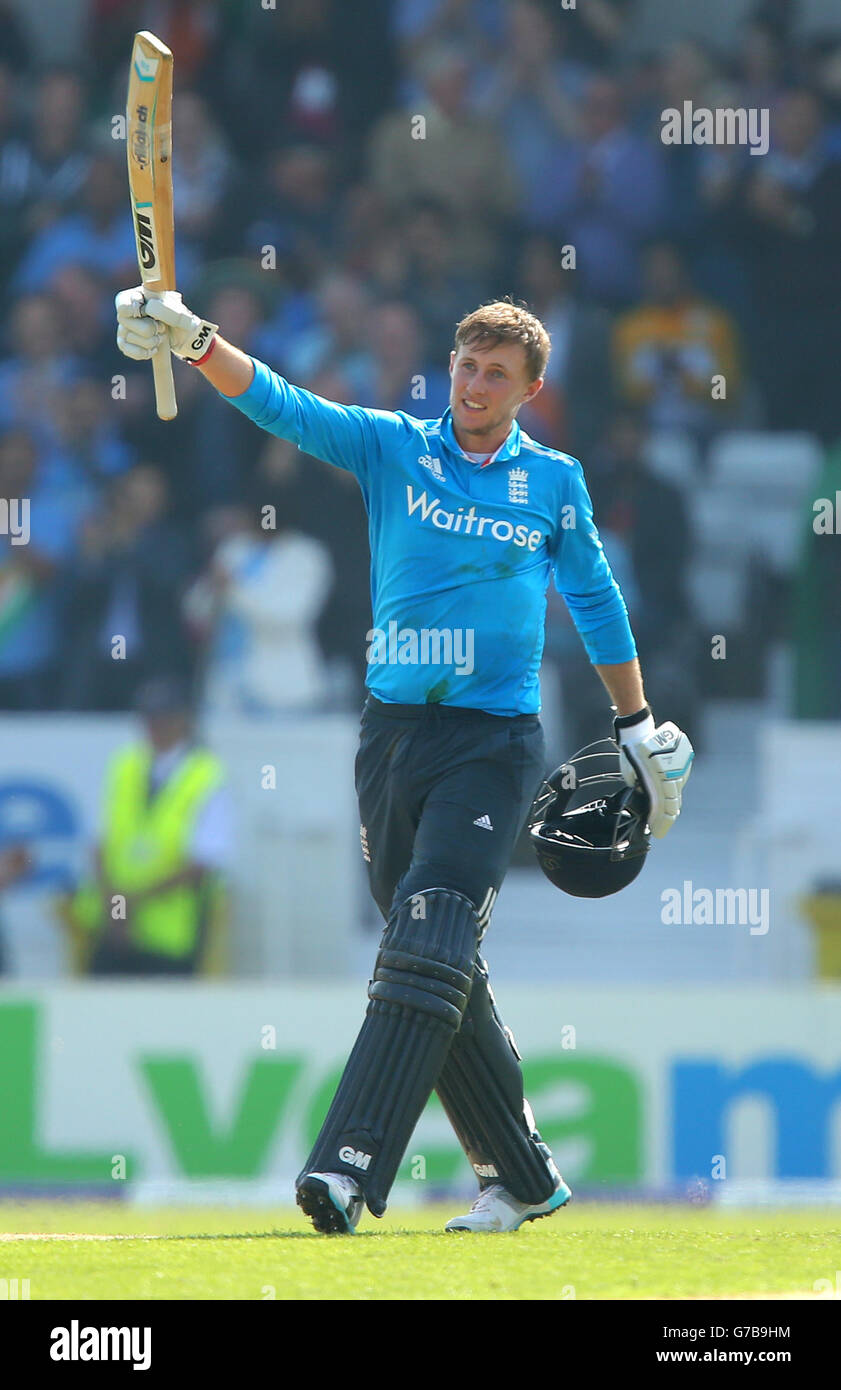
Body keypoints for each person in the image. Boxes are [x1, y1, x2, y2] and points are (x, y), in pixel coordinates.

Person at [115, 286, 693, 1233]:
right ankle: (523, 1176)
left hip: (492, 745)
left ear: (529, 389)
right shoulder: (395, 446)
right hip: (391, 740)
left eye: (495, 373)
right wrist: (196, 339)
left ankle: (346, 1168)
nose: (472, 383)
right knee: (437, 956)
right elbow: (281, 405)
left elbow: (595, 601)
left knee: (428, 927)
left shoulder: (552, 481)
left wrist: (633, 722)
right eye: (465, 364)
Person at [68, 675, 232, 976]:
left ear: (184, 720)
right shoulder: (124, 765)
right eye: (149, 717)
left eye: (163, 717)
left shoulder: (207, 775)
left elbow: (202, 864)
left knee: (161, 1017)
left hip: (167, 936)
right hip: (110, 928)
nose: (154, 725)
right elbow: (98, 843)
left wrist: (130, 903)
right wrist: (116, 904)